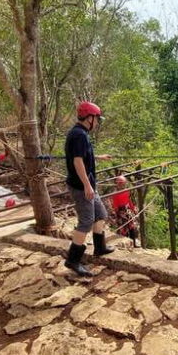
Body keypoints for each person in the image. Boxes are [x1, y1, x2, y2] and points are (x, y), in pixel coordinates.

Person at [63, 101, 114, 276]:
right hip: (81, 186)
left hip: (88, 184)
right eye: (97, 119)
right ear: (89, 118)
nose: (98, 122)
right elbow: (77, 161)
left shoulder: (81, 133)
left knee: (100, 215)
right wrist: (86, 185)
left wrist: (99, 157)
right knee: (86, 221)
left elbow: (83, 156)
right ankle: (73, 260)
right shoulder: (79, 135)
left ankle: (99, 248)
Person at [111, 175, 139, 247]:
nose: (121, 185)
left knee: (132, 227)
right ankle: (126, 244)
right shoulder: (115, 194)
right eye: (120, 183)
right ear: (117, 184)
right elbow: (115, 205)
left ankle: (134, 243)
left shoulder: (126, 191)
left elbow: (129, 201)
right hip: (120, 212)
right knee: (124, 229)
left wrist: (133, 209)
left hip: (128, 210)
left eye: (123, 183)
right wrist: (116, 214)